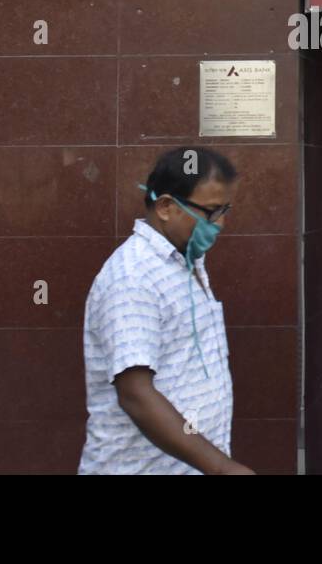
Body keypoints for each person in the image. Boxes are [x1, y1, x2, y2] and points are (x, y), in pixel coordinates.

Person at [79, 147, 252, 474]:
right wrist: (222, 468)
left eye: (225, 210)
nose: (221, 223)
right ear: (166, 207)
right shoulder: (133, 277)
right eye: (212, 212)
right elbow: (136, 395)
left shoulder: (186, 259)